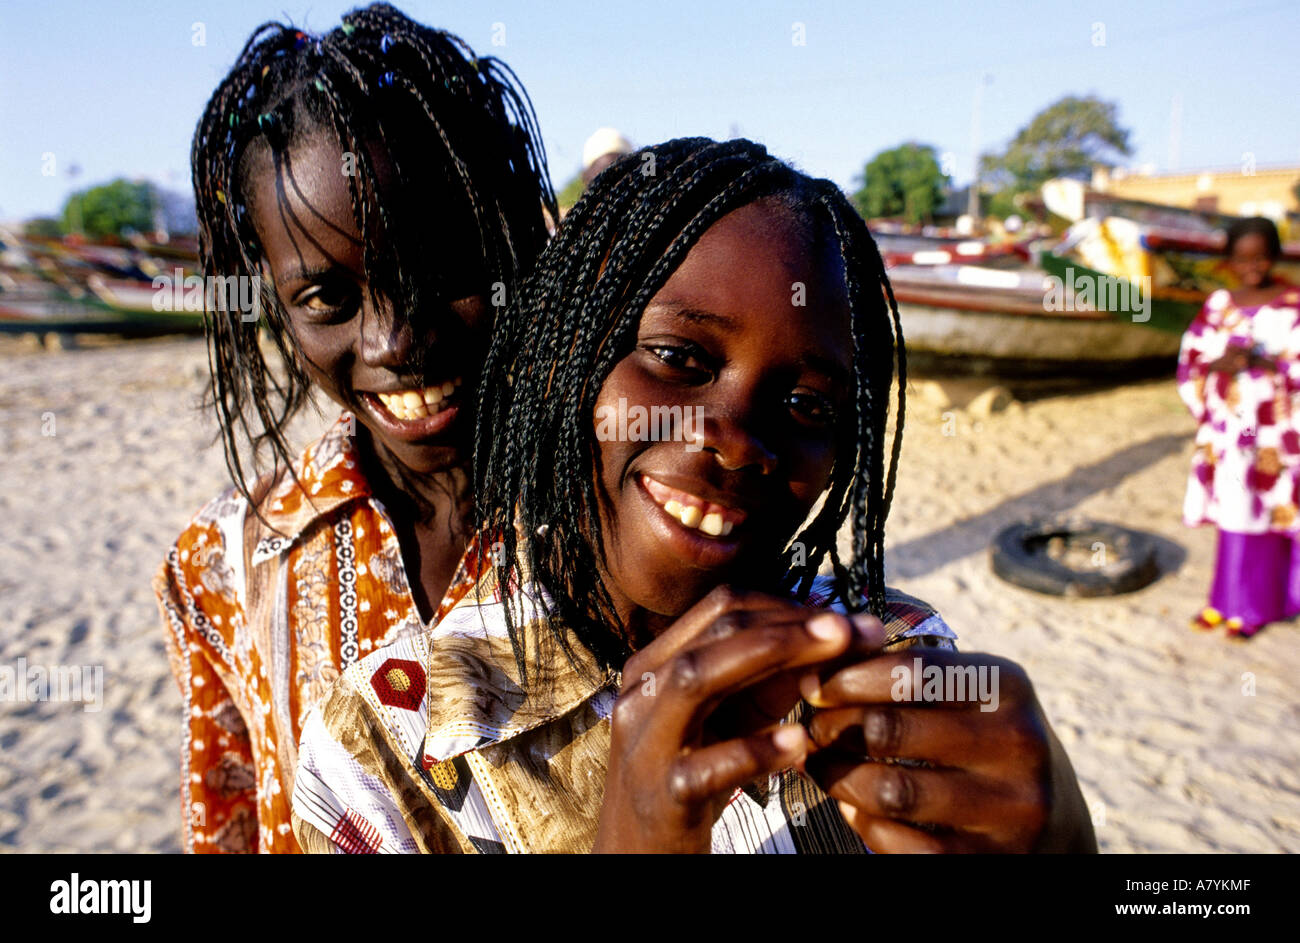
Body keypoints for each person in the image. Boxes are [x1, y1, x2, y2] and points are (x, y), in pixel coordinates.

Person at [291, 138, 1096, 853]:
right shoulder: (384, 751)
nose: (737, 436)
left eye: (808, 406)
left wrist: (1065, 837)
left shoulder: (896, 655)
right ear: (557, 360)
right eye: (679, 356)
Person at [152, 2, 556, 853]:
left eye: (440, 268)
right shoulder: (221, 572)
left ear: (510, 238)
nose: (393, 340)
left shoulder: (625, 514)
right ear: (275, 307)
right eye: (328, 297)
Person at [1180, 216, 1300, 639]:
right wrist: (1219, 364)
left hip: (1275, 436)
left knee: (1266, 517)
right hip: (1231, 433)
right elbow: (1192, 358)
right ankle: (1224, 601)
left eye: (1262, 257)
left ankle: (1255, 609)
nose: (1253, 267)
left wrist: (1273, 366)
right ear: (1229, 260)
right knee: (1234, 513)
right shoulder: (1219, 304)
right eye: (1243, 259)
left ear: (1277, 255)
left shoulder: (1292, 303)